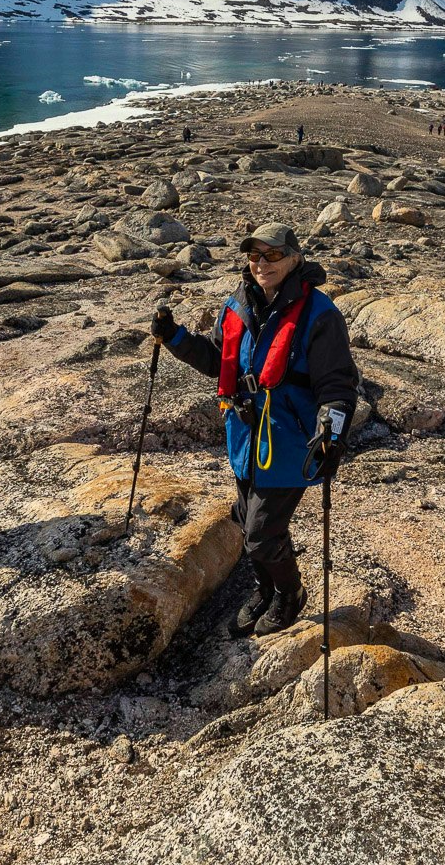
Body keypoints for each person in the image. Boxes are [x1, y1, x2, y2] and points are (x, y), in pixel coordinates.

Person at [151, 223, 359, 637]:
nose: (262, 264)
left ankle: (289, 594)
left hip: (290, 443)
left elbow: (338, 385)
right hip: (246, 437)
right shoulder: (237, 305)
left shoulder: (319, 314)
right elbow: (218, 362)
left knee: (262, 534)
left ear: (295, 259)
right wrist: (175, 337)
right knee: (246, 520)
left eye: (273, 255)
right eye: (254, 256)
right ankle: (265, 590)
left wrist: (332, 428)